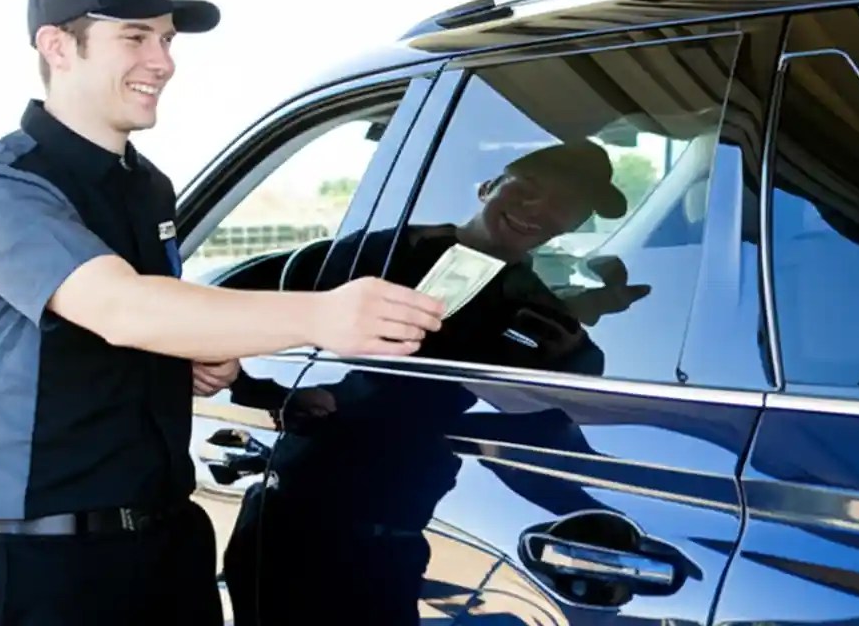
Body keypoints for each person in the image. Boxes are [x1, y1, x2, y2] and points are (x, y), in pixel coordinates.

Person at [0, 0, 444, 625]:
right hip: (53, 563)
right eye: (135, 37)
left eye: (168, 39)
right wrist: (321, 315)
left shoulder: (148, 188)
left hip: (168, 542)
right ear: (58, 46)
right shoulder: (3, 189)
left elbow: (160, 319)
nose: (163, 61)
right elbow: (120, 308)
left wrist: (201, 355)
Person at [222, 140, 650, 624]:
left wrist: (572, 352)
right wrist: (280, 395)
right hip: (293, 521)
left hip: (401, 538)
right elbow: (267, 334)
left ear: (571, 227)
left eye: (566, 206)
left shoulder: (538, 310)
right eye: (529, 189)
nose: (540, 211)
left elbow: (577, 402)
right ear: (488, 187)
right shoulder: (379, 251)